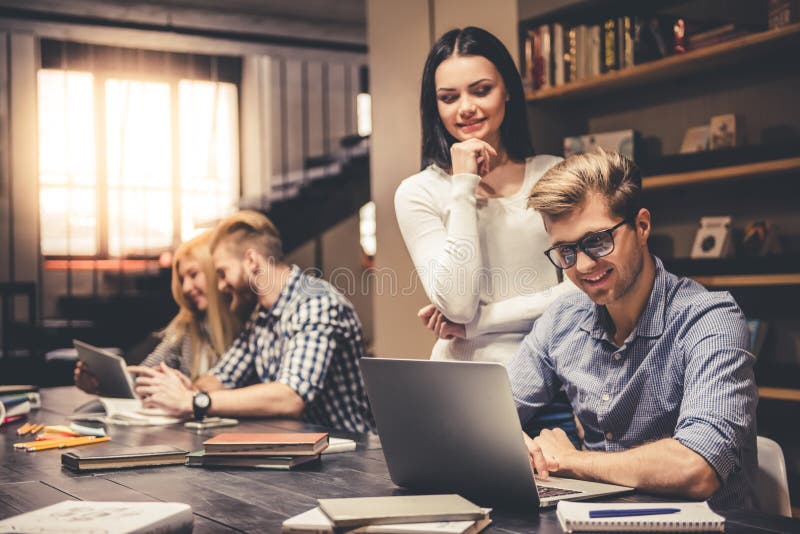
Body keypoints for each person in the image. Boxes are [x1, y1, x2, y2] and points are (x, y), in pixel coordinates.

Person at [509, 149, 757, 508]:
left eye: (597, 241)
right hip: (593, 522)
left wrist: (572, 460)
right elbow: (488, 415)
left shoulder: (710, 319)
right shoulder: (562, 319)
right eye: (565, 250)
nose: (582, 265)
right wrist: (509, 443)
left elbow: (697, 467)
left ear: (641, 227)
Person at [394, 26, 578, 439]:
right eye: (449, 97)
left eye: (481, 90)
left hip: (554, 383)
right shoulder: (419, 192)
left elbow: (580, 290)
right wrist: (463, 185)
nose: (466, 108)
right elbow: (458, 305)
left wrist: (481, 323)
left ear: (508, 91)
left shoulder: (555, 174)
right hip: (461, 391)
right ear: (434, 105)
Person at [131, 210, 375, 433]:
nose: (221, 285)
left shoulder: (315, 303)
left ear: (251, 261)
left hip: (349, 452)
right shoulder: (262, 315)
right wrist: (188, 390)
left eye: (223, 273)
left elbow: (291, 397)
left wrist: (194, 401)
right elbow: (223, 376)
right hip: (301, 447)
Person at [74, 231, 240, 393]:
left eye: (193, 274)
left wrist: (191, 393)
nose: (186, 288)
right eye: (182, 280)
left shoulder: (246, 326)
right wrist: (101, 383)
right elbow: (146, 372)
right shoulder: (189, 327)